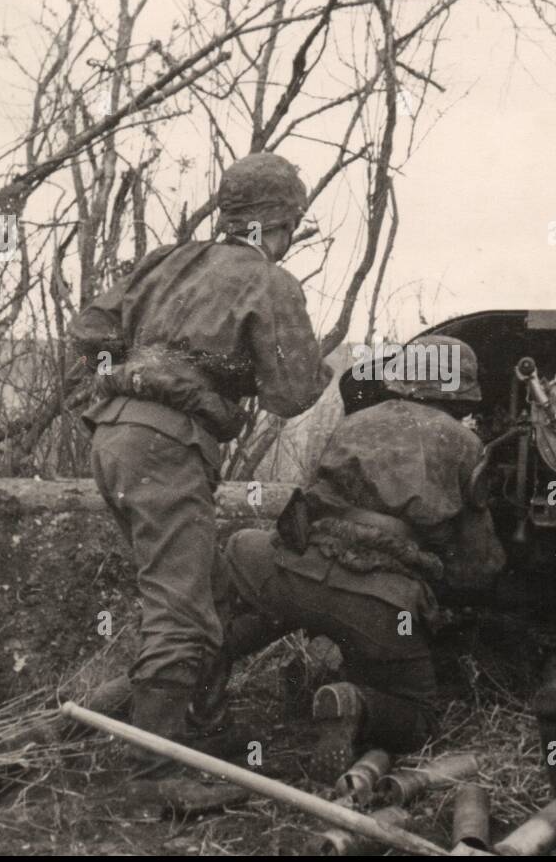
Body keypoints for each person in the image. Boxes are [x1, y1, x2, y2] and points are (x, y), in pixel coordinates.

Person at [69, 152, 330, 752]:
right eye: (292, 227)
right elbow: (293, 394)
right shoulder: (268, 280)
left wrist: (146, 367)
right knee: (179, 611)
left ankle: (197, 727)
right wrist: (204, 375)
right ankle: (155, 772)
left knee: (195, 588)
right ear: (277, 224)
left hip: (112, 437)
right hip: (169, 447)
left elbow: (88, 329)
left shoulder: (167, 259)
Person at [207, 335, 507, 781]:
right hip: (378, 606)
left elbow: (305, 506)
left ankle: (197, 682)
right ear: (459, 389)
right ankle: (355, 703)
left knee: (245, 561)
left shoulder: (357, 422)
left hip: (293, 573)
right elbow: (480, 566)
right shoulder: (466, 444)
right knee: (420, 713)